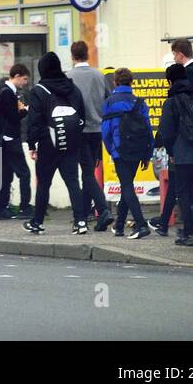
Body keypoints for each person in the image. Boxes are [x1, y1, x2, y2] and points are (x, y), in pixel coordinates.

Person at [23, 52, 88, 235]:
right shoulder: (72, 88)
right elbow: (82, 114)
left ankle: (37, 222)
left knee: (44, 183)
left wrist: (31, 144)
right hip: (71, 142)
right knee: (73, 182)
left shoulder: (39, 90)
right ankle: (80, 221)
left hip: (47, 143)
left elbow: (34, 120)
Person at [155, 63, 193, 247]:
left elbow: (166, 131)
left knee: (183, 194)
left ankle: (190, 233)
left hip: (182, 154)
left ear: (170, 81)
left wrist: (171, 151)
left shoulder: (172, 101)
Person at [66, 41, 113, 231]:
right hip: (98, 130)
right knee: (89, 172)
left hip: (78, 131)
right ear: (87, 54)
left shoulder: (68, 77)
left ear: (72, 56)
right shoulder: (100, 76)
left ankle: (102, 210)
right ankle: (85, 214)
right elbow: (108, 99)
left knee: (85, 173)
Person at [99, 68, 151, 239]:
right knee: (126, 185)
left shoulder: (109, 102)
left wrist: (111, 150)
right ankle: (119, 225)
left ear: (115, 82)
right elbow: (147, 129)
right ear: (131, 82)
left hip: (120, 150)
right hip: (137, 149)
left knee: (126, 186)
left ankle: (141, 224)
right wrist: (147, 153)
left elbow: (105, 131)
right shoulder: (139, 102)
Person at [0, 64, 31, 220]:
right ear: (16, 76)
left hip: (3, 141)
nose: (25, 83)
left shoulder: (5, 93)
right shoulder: (8, 93)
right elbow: (12, 117)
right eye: (24, 79)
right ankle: (25, 207)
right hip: (10, 140)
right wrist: (24, 111)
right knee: (24, 173)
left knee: (4, 175)